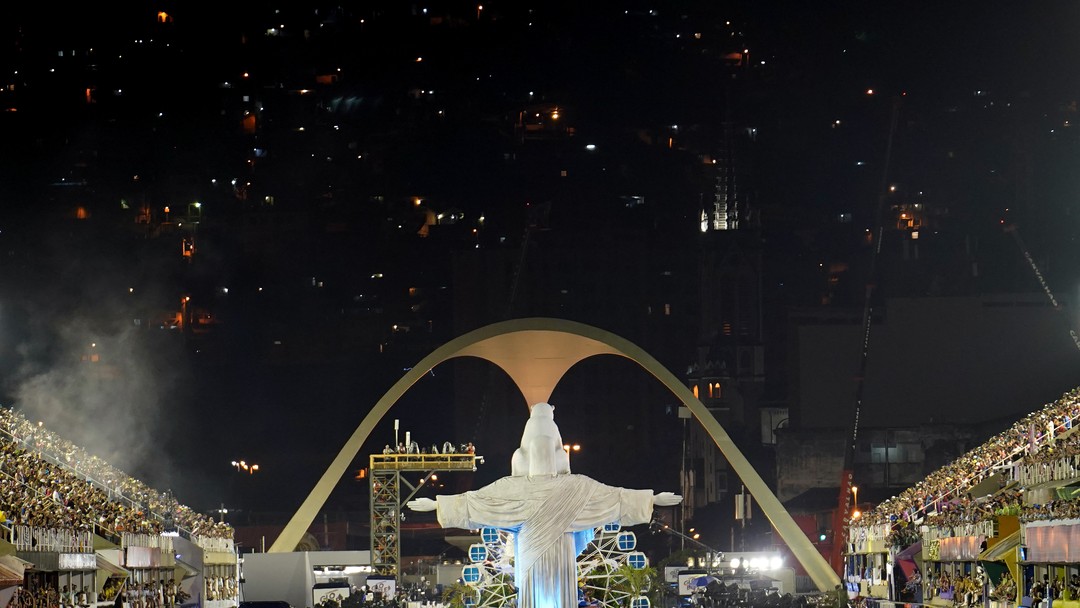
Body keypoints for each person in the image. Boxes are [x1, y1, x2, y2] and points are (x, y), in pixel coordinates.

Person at [408, 402, 681, 608]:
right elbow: (475, 502)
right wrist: (436, 504)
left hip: (555, 554)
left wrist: (652, 499)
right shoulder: (519, 488)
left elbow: (615, 498)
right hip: (533, 552)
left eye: (546, 446)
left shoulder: (575, 487)